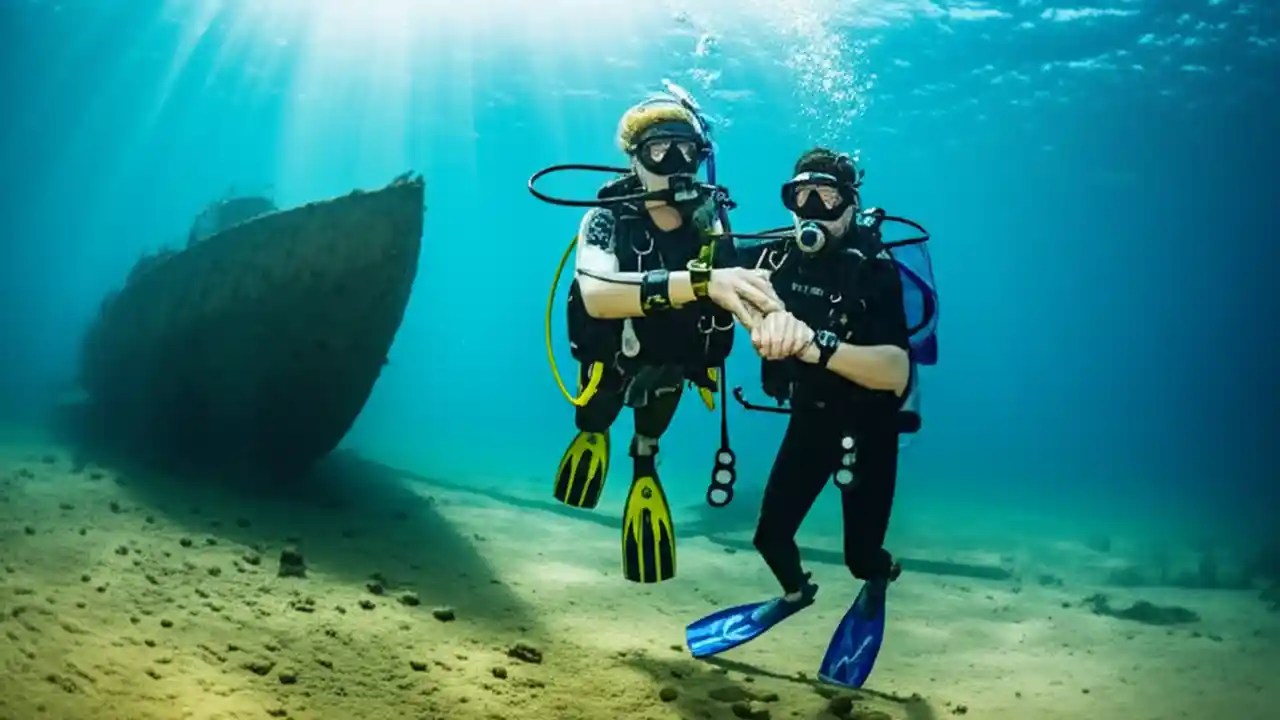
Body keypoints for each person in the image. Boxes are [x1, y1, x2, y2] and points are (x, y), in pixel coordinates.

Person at [684, 148, 939, 689]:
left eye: (829, 198)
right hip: (811, 421)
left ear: (851, 206)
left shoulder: (875, 271)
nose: (813, 212)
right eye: (801, 197)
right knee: (769, 537)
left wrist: (813, 348)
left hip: (870, 429)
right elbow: (710, 263)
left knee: (859, 554)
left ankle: (878, 578)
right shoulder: (777, 259)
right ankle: (796, 594)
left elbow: (895, 371)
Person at [552, 92, 784, 584]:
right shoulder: (605, 217)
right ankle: (593, 436)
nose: (676, 163)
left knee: (650, 432)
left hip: (673, 363)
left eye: (687, 151)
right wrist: (703, 284)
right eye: (660, 150)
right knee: (596, 414)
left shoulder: (710, 220)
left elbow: (742, 281)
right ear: (633, 157)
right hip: (613, 355)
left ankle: (644, 467)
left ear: (703, 157)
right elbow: (596, 294)